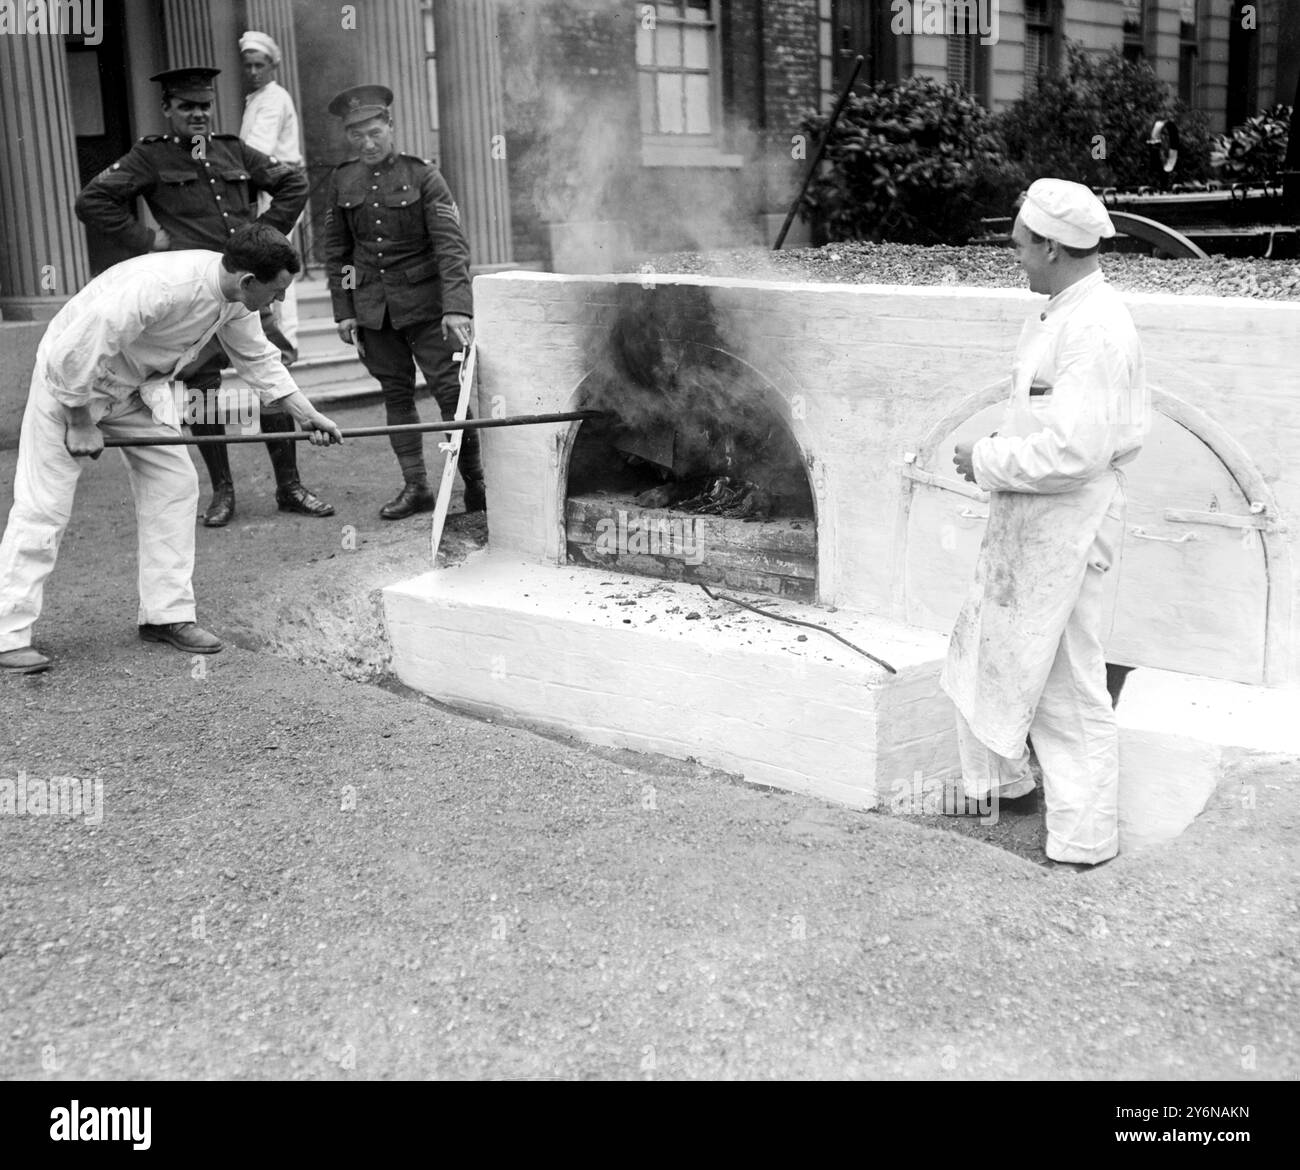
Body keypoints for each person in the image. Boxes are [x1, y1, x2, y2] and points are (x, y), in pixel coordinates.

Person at [0, 225, 342, 676]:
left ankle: (166, 615)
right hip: (71, 386)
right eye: (275, 293)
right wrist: (81, 421)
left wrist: (305, 413)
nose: (277, 302)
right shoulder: (160, 288)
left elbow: (258, 359)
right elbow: (72, 351)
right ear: (248, 281)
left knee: (175, 484)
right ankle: (8, 632)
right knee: (45, 504)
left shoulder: (238, 299)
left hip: (138, 388)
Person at [942, 178, 1150, 868]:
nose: (1018, 261)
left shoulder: (1096, 328)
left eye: (1023, 249)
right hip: (1031, 523)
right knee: (988, 650)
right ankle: (1008, 787)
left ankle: (1084, 841)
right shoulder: (1060, 310)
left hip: (1069, 525)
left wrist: (987, 457)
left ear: (1056, 248)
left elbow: (1076, 451)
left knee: (1066, 685)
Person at [75, 65, 334, 528]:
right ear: (167, 110)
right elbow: (91, 201)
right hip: (191, 294)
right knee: (204, 392)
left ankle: (290, 485)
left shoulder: (232, 150)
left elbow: (292, 183)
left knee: (271, 374)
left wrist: (265, 239)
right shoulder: (150, 158)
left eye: (205, 106)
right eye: (187, 107)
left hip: (247, 287)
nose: (198, 115)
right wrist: (146, 240)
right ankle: (223, 492)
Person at [323, 84, 486, 519]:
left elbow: (451, 246)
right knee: (395, 395)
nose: (367, 142)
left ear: (390, 126)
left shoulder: (423, 176)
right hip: (375, 310)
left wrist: (457, 306)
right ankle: (416, 487)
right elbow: (338, 252)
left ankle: (477, 484)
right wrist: (345, 310)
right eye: (356, 135)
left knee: (450, 393)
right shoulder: (342, 180)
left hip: (430, 308)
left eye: (374, 131)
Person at [239, 30, 304, 349]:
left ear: (272, 65)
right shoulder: (257, 98)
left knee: (278, 264)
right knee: (268, 263)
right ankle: (275, 339)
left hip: (279, 188)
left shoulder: (275, 99)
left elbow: (257, 150)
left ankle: (286, 340)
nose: (253, 72)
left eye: (259, 65)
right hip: (267, 185)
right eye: (248, 65)